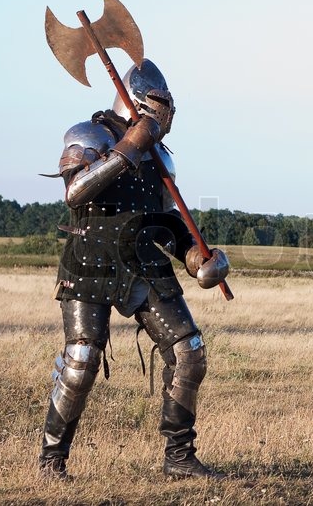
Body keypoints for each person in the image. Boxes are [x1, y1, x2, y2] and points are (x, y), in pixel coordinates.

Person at [38, 59, 229, 480]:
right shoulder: (89, 135)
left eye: (168, 107)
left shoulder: (161, 157)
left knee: (188, 350)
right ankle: (52, 460)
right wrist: (129, 147)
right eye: (158, 105)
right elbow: (75, 191)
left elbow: (169, 220)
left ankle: (178, 457)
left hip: (143, 260)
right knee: (82, 358)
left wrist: (198, 257)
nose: (165, 114)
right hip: (90, 258)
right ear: (137, 102)